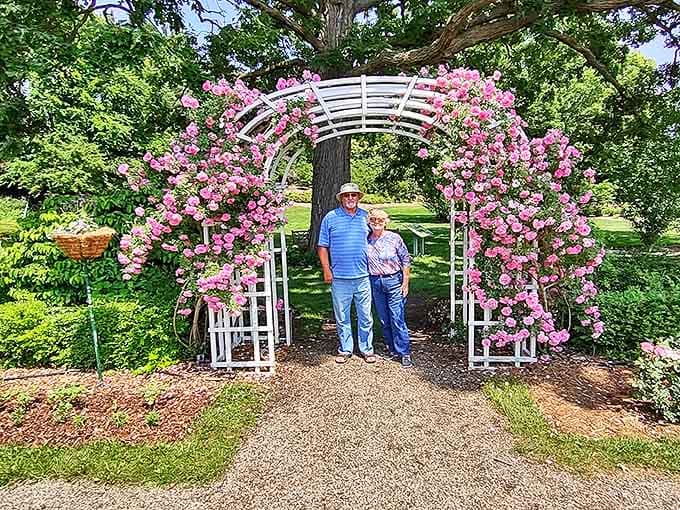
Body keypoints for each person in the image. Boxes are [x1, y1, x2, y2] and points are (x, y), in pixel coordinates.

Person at [318, 183, 375, 364]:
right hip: (340, 277)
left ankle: (367, 349)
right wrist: (327, 269)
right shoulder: (331, 217)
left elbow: (377, 240)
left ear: (358, 197)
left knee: (365, 316)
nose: (350, 198)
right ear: (341, 198)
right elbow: (322, 246)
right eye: (346, 195)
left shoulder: (366, 217)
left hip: (363, 276)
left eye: (353, 195)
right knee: (342, 316)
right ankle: (345, 349)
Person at [366, 208, 413, 368]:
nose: (377, 222)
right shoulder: (366, 239)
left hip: (393, 280)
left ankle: (404, 352)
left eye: (380, 220)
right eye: (373, 220)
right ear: (369, 222)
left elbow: (406, 259)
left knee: (397, 317)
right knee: (384, 318)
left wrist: (405, 281)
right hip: (375, 282)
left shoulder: (394, 238)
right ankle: (391, 347)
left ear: (386, 221)